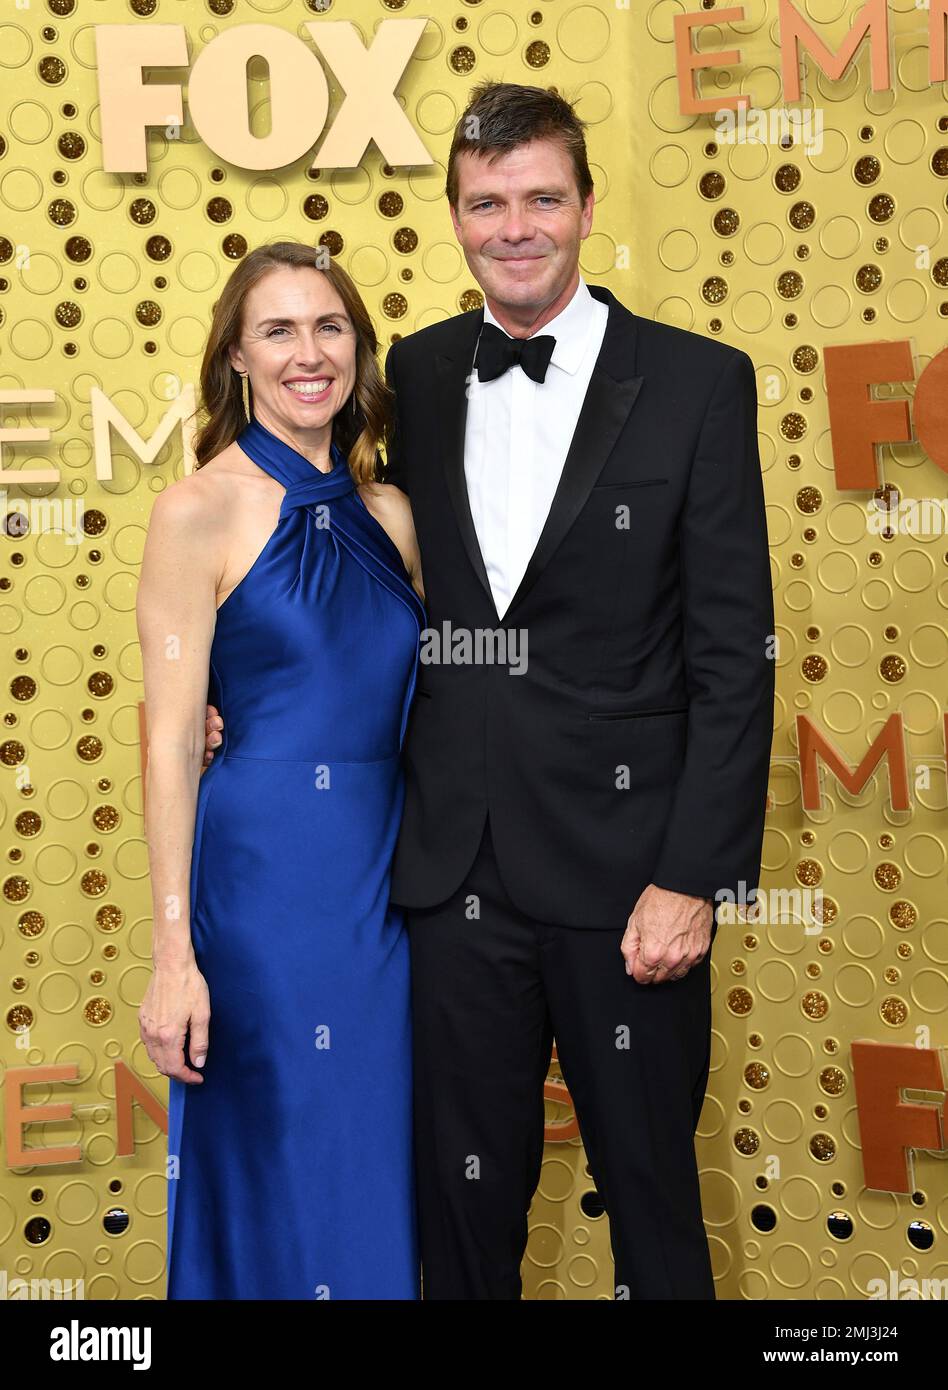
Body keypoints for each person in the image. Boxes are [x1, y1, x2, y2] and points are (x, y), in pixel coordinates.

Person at [206, 81, 775, 1301]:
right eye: (486, 204)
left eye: (541, 199)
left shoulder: (699, 382)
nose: (515, 228)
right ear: (456, 218)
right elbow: (340, 567)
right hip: (448, 874)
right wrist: (239, 705)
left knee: (654, 1212)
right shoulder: (409, 373)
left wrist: (695, 877)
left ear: (586, 207)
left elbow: (737, 657)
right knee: (460, 1227)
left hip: (633, 880)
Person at [138, 241, 424, 1299]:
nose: (310, 353)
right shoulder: (196, 511)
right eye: (278, 330)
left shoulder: (392, 514)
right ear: (237, 357)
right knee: (279, 1155)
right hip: (261, 897)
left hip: (390, 893)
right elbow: (172, 742)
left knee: (372, 1168)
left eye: (329, 326)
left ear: (358, 347)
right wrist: (175, 955)